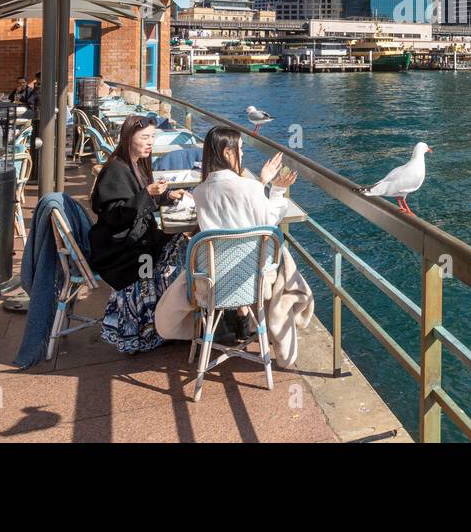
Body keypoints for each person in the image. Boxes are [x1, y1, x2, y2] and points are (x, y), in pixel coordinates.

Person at [155, 126, 313, 364]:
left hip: (212, 285)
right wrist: (276, 189)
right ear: (227, 151)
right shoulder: (250, 188)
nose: (242, 154)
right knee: (281, 257)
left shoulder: (200, 192)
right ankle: (271, 333)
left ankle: (225, 325)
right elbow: (268, 220)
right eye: (240, 149)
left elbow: (231, 211)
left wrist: (261, 182)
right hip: (252, 283)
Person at [89, 115, 187, 353]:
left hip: (133, 240)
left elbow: (134, 199)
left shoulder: (134, 165)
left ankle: (164, 317)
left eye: (152, 137)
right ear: (128, 138)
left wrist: (165, 196)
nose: (150, 142)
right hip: (121, 250)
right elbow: (115, 214)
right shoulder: (115, 169)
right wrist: (147, 193)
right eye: (144, 137)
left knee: (182, 243)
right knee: (181, 250)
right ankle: (157, 321)